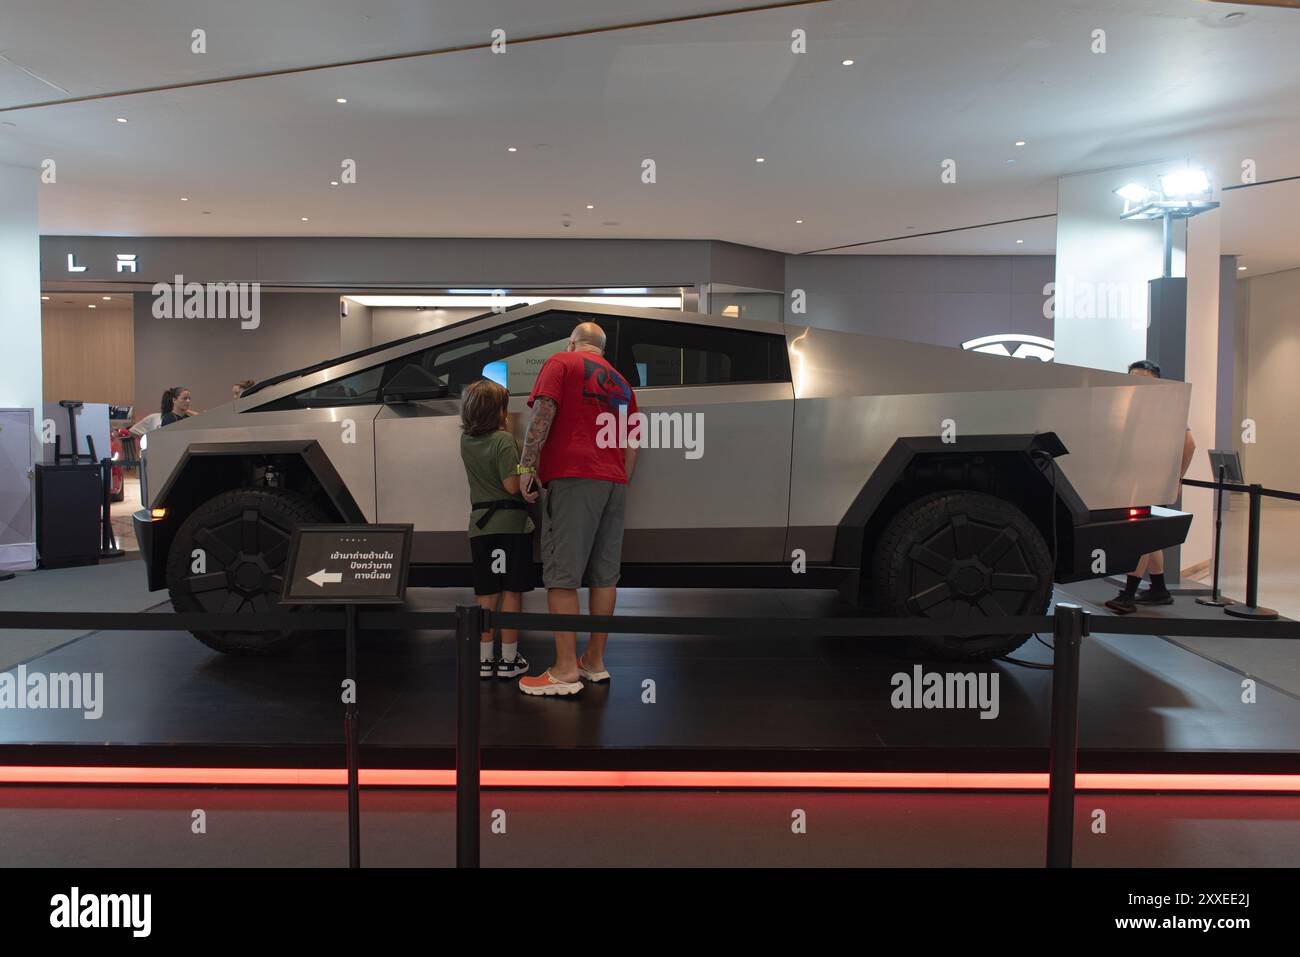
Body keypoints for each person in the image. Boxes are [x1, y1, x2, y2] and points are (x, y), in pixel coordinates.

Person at [516, 321, 638, 697]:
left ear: (572, 342)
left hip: (572, 478)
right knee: (604, 576)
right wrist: (617, 477)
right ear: (601, 349)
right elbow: (632, 441)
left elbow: (543, 416)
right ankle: (593, 661)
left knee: (563, 576)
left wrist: (526, 467)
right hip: (613, 482)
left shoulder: (561, 363)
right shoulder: (622, 383)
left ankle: (565, 671)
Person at [1105, 359, 1196, 615]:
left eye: (1145, 378)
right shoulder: (1130, 405)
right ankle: (1158, 589)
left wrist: (1176, 479)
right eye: (1134, 377)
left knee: (1141, 534)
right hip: (1133, 479)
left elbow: (1190, 444)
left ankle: (1127, 595)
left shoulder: (1167, 409)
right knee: (1149, 534)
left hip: (1151, 481)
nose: (1139, 382)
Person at [459, 379, 534, 679]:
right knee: (512, 592)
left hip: (481, 527)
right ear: (498, 412)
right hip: (511, 526)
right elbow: (511, 485)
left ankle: (484, 658)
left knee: (486, 594)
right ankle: (508, 659)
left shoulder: (466, 441)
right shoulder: (504, 441)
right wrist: (527, 471)